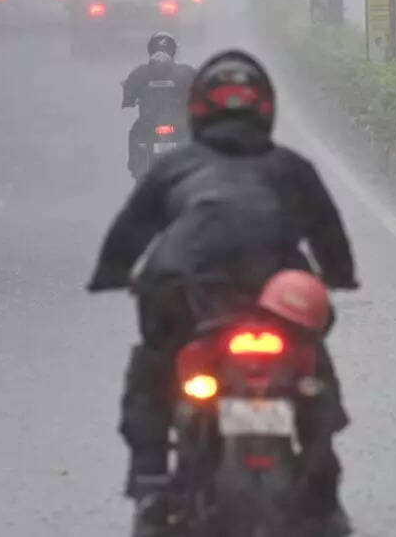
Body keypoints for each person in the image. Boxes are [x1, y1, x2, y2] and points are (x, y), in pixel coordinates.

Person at [88, 50, 359, 536]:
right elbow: (330, 238)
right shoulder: (293, 168)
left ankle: (151, 479)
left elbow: (130, 232)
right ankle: (324, 492)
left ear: (197, 110)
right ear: (267, 109)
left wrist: (111, 273)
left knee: (153, 370)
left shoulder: (175, 168)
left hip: (187, 296)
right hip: (279, 298)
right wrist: (339, 276)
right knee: (312, 367)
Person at [122, 32, 196, 179]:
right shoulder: (187, 72)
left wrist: (129, 100)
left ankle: (136, 166)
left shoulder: (139, 72)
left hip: (149, 125)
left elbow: (128, 97)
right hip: (179, 126)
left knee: (135, 133)